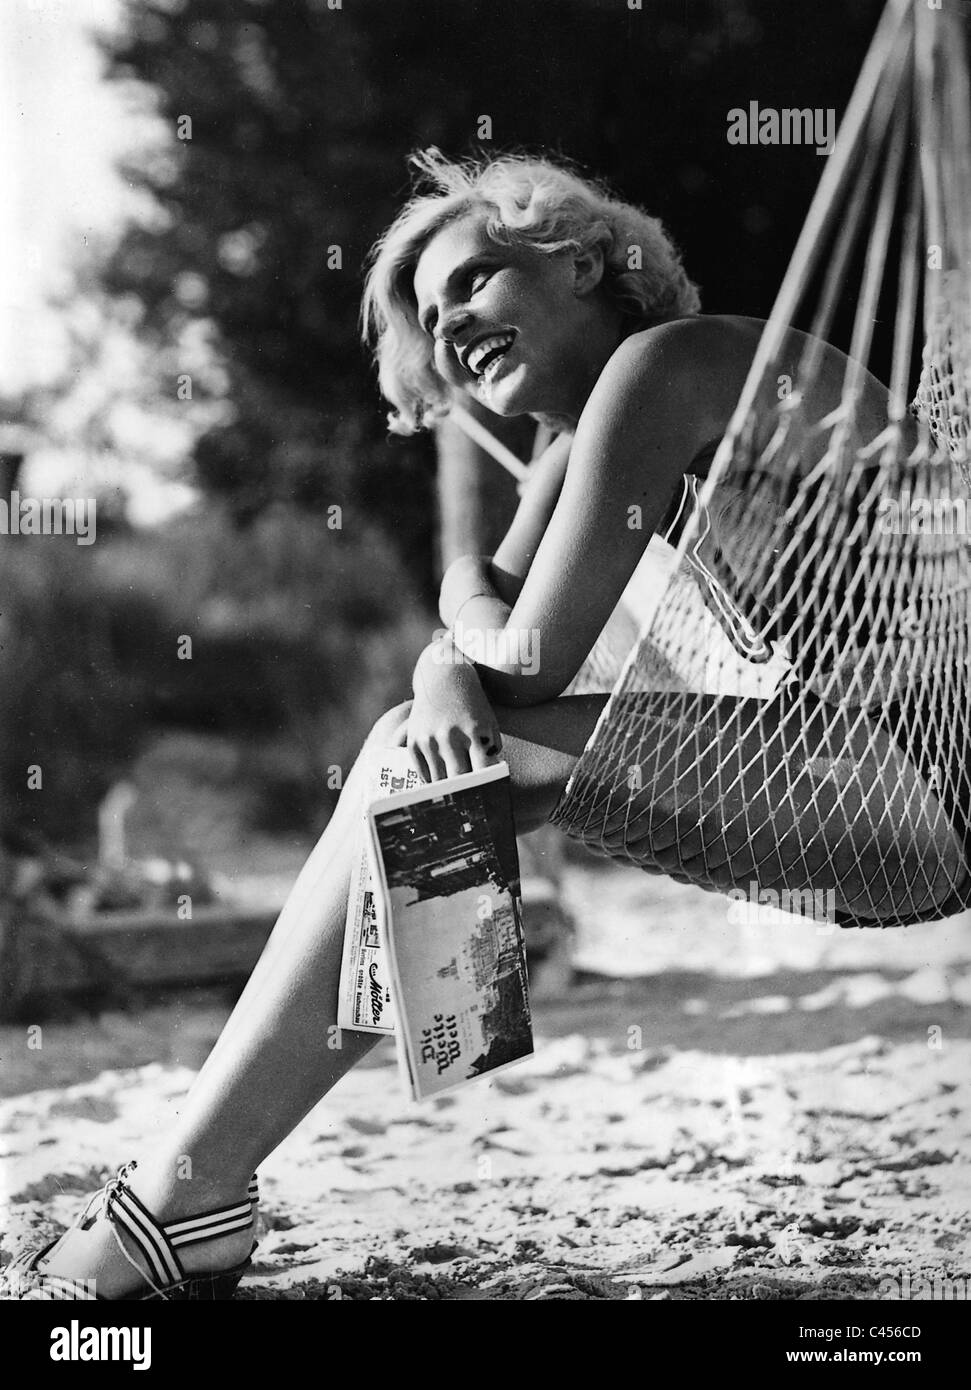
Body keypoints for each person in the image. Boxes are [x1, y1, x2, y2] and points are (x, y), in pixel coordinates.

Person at [5, 149, 964, 1300]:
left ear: (582, 263)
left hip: (914, 767)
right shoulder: (572, 451)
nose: (450, 325)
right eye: (429, 316)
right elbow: (474, 636)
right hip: (856, 793)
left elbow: (522, 658)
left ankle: (187, 1195)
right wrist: (443, 656)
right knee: (418, 755)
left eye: (472, 281)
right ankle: (207, 1177)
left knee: (441, 761)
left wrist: (456, 647)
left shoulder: (669, 366)